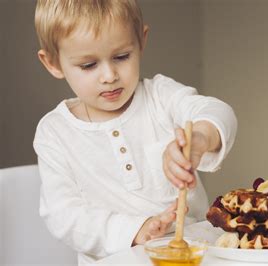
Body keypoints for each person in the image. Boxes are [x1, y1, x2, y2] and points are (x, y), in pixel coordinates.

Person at [33, 0, 237, 264]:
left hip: (195, 251)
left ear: (141, 41)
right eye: (88, 65)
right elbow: (64, 216)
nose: (109, 75)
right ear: (53, 63)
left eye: (121, 57)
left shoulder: (161, 96)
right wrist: (135, 230)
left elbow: (217, 111)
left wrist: (199, 138)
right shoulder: (55, 133)